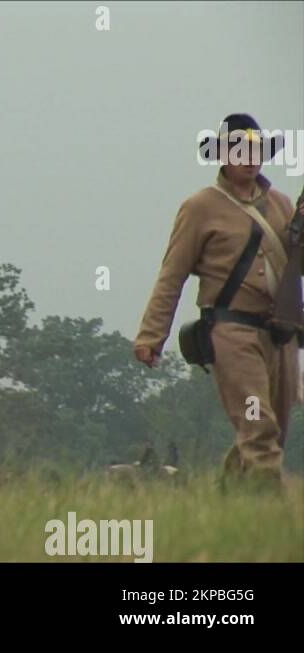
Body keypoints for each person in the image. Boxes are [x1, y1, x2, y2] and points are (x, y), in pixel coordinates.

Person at [134, 113, 302, 490]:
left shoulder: (283, 205)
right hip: (232, 331)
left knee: (273, 432)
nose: (248, 157)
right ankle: (268, 517)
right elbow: (172, 275)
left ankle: (223, 504)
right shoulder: (200, 207)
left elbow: (296, 270)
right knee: (259, 427)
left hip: (281, 334)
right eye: (239, 149)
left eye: (255, 149)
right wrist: (151, 336)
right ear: (223, 154)